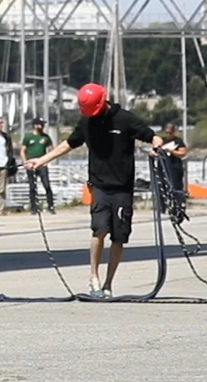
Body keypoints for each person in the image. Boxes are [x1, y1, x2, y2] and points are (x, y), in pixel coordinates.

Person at [27, 83, 164, 299]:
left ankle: (109, 283)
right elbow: (68, 144)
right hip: (99, 186)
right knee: (99, 230)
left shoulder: (125, 119)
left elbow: (152, 136)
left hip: (122, 188)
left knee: (119, 236)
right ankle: (94, 278)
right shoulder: (87, 121)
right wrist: (41, 161)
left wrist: (157, 147)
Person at [21, 117, 55, 215]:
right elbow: (23, 150)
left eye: (43, 124)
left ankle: (51, 206)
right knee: (32, 187)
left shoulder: (46, 137)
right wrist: (25, 162)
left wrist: (47, 160)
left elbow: (51, 150)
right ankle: (34, 207)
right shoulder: (28, 137)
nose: (42, 126)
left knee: (47, 185)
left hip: (42, 164)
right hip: (31, 164)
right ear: (35, 125)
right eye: (40, 124)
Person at [157, 123, 188, 212]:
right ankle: (162, 206)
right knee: (162, 186)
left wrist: (172, 151)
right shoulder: (162, 141)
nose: (168, 135)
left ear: (173, 132)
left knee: (176, 186)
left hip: (175, 167)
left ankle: (177, 206)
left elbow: (183, 153)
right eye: (166, 133)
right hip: (163, 167)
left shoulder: (178, 141)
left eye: (170, 133)